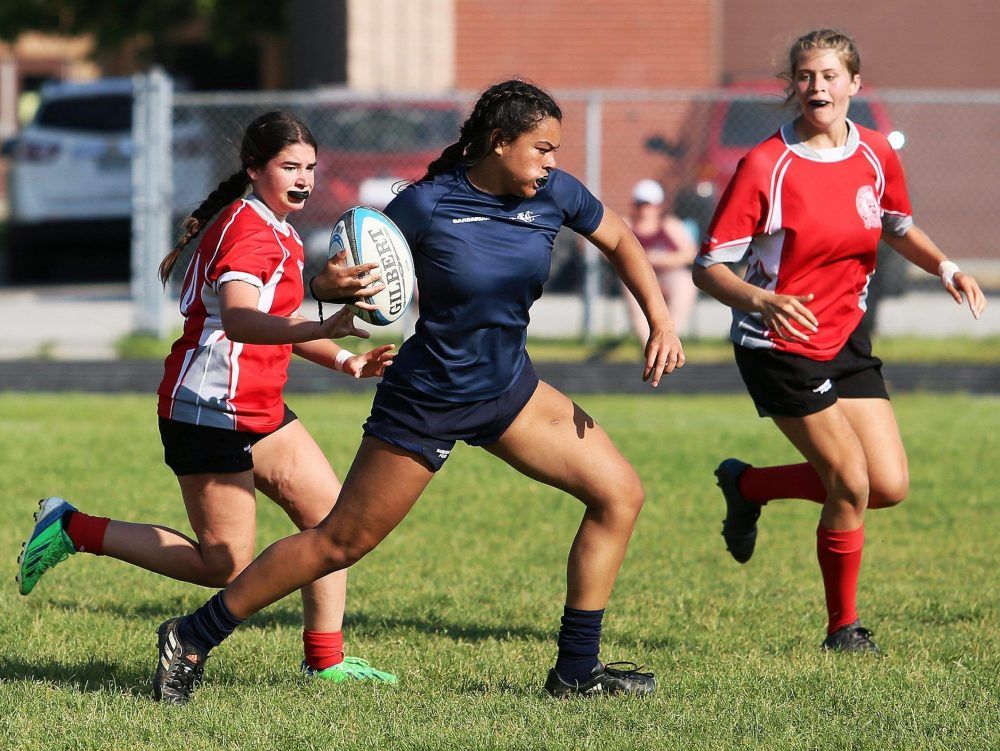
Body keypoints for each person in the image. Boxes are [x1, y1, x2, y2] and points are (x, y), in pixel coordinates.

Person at [149, 80, 686, 704]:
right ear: (499, 142)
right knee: (340, 541)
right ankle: (193, 635)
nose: (552, 162)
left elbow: (620, 238)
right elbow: (338, 266)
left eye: (556, 150)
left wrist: (662, 321)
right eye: (541, 149)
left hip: (510, 389)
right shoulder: (428, 205)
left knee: (619, 494)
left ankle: (576, 670)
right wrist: (332, 281)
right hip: (428, 398)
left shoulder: (555, 194)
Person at [16, 111, 399, 685]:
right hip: (209, 410)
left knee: (330, 523)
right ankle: (73, 528)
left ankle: (326, 661)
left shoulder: (282, 230)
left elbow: (275, 319)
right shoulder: (248, 230)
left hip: (259, 407)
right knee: (223, 564)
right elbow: (244, 322)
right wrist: (327, 329)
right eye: (289, 167)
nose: (303, 180)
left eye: (310, 168)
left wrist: (346, 360)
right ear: (254, 168)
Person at [691, 30, 987, 653]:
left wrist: (946, 267)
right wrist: (761, 299)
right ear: (792, 86)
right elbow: (710, 266)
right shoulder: (767, 165)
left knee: (887, 486)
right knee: (850, 481)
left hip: (846, 333)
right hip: (780, 344)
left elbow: (898, 227)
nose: (816, 87)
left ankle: (748, 487)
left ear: (854, 84)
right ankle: (842, 632)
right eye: (804, 76)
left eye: (829, 75)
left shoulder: (876, 152)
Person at [622, 179, 699, 339]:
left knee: (685, 283)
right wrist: (641, 260)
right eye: (641, 204)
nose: (645, 210)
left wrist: (660, 258)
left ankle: (669, 339)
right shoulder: (626, 225)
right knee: (631, 289)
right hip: (638, 275)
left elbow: (690, 254)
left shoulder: (670, 225)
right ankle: (648, 345)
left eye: (650, 205)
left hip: (668, 274)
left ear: (659, 206)